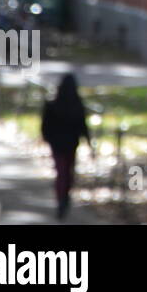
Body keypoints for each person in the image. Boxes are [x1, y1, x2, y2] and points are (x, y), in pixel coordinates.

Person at [41, 73, 90, 220]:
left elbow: (45, 127)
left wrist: (48, 139)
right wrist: (88, 142)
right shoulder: (76, 105)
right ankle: (64, 197)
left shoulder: (52, 105)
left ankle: (62, 197)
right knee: (67, 172)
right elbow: (83, 127)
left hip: (58, 145)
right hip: (70, 144)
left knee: (61, 172)